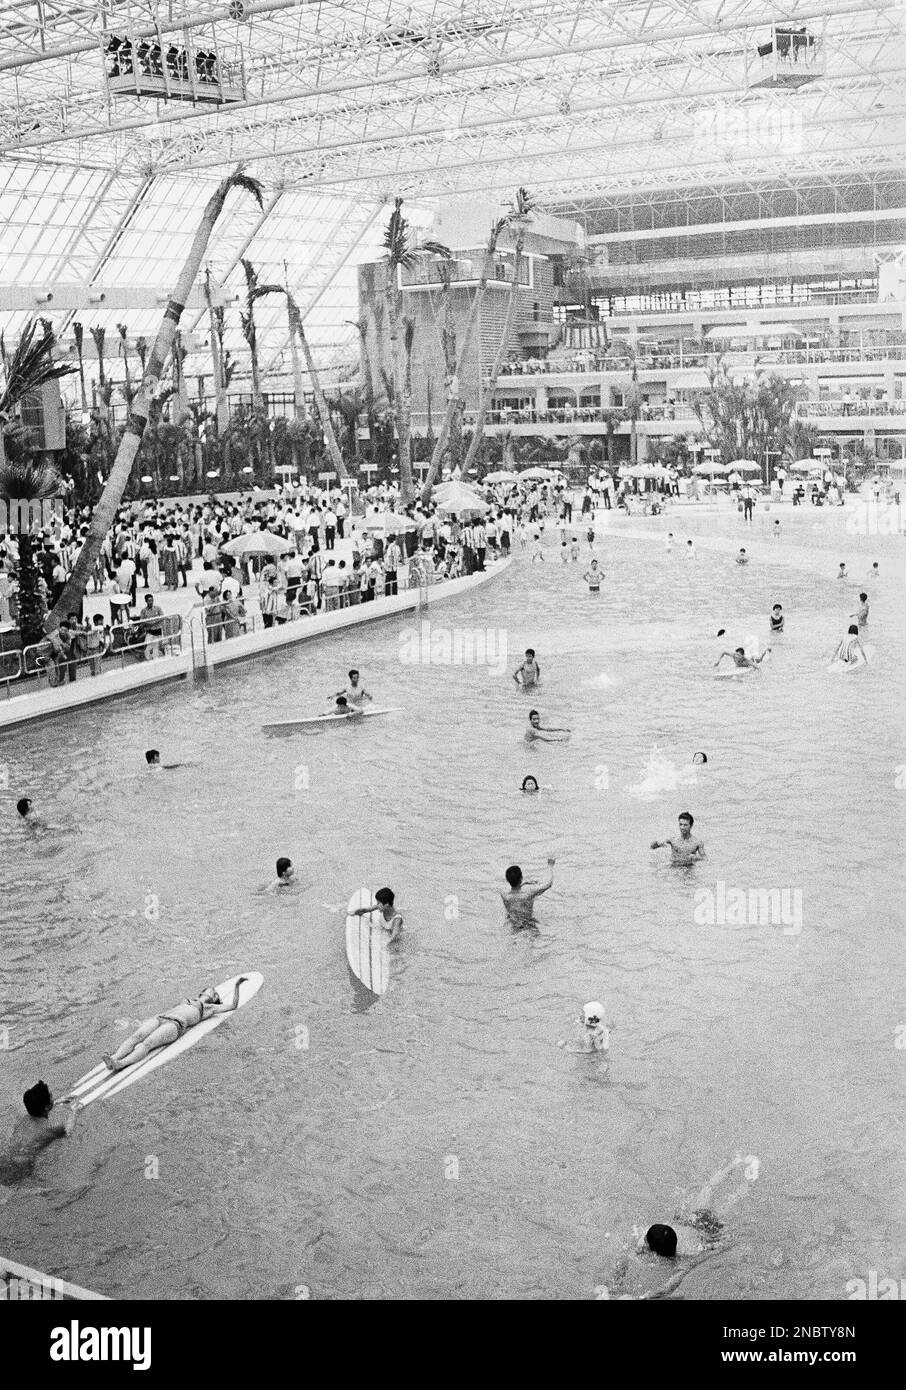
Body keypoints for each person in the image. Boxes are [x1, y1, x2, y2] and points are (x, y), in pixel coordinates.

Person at [102, 980, 246, 1072]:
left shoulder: (209, 1008)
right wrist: (143, 1021)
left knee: (147, 1044)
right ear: (202, 992)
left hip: (175, 1025)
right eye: (211, 989)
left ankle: (122, 1063)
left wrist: (237, 986)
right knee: (136, 1037)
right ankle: (114, 1058)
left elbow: (233, 1005)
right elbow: (170, 1009)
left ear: (215, 999)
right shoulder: (186, 1000)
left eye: (214, 993)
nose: (212, 991)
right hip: (161, 1018)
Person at [0, 1082, 78, 1184]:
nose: (52, 1097)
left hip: (4, 1160)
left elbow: (39, 1108)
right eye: (51, 1096)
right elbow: (68, 1130)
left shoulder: (25, 1118)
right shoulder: (51, 1128)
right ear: (46, 1107)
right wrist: (74, 1111)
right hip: (21, 1168)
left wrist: (57, 1102)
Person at [501, 858, 556, 928]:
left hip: (513, 927)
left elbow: (514, 890)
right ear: (521, 878)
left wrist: (524, 883)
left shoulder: (504, 895)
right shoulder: (528, 894)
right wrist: (550, 866)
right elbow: (549, 884)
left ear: (507, 880)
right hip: (528, 926)